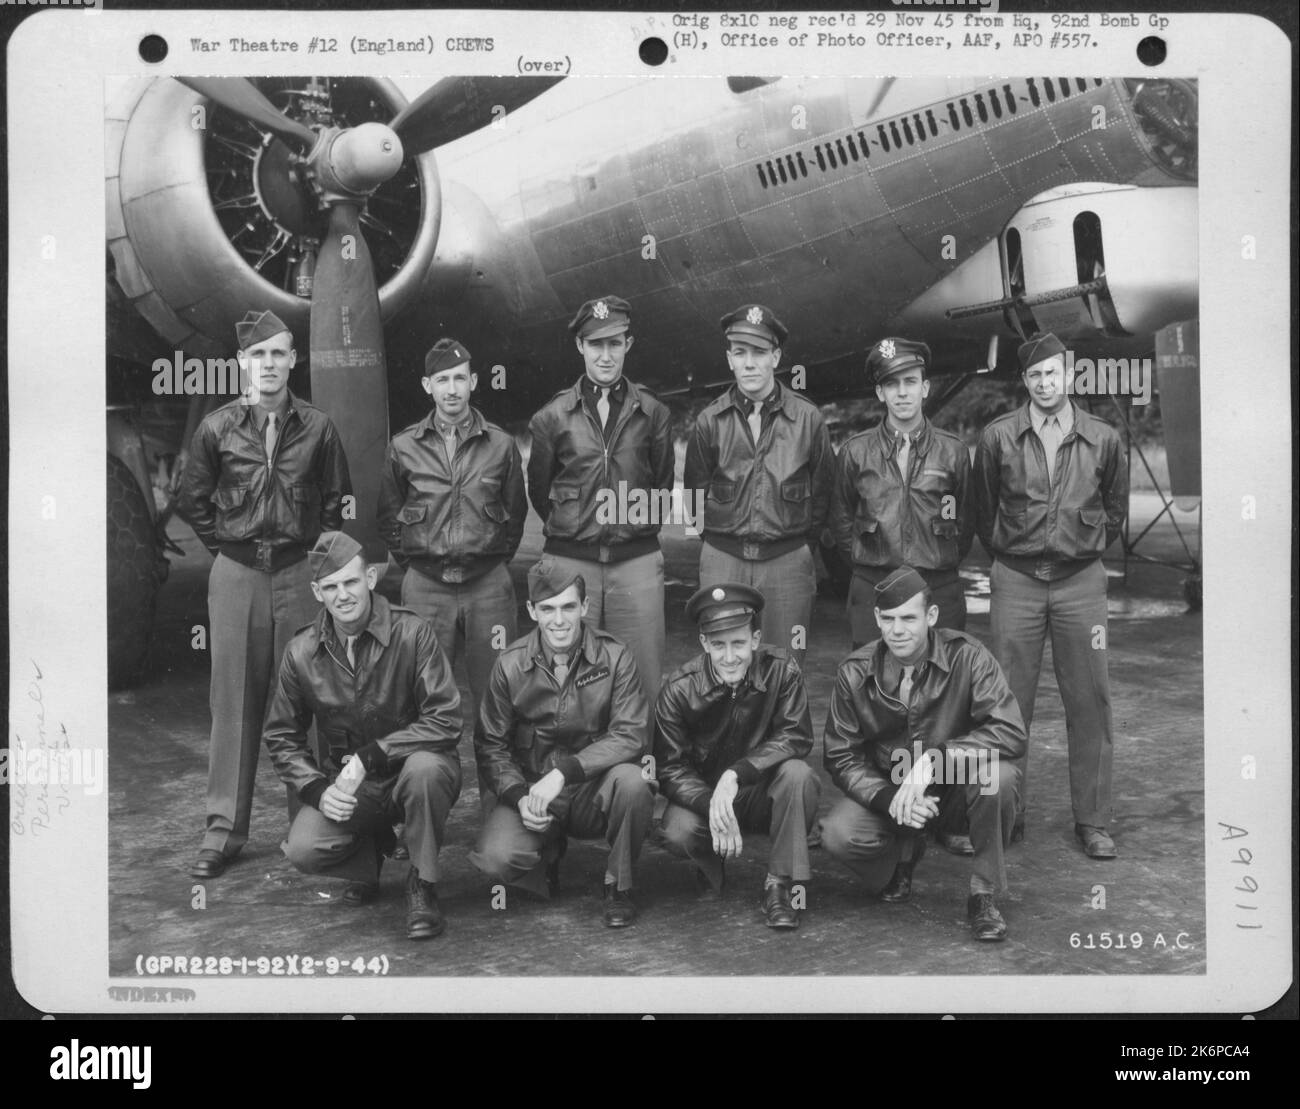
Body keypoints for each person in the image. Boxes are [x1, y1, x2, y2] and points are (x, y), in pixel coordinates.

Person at [176, 309, 351, 879]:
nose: (268, 364)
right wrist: (233, 546)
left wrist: (311, 562)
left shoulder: (319, 428)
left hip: (301, 574)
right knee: (234, 702)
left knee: (311, 698)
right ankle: (223, 829)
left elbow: (334, 503)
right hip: (238, 575)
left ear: (293, 360)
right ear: (241, 363)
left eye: (278, 353)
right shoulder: (217, 429)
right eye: (258, 355)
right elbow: (193, 499)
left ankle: (310, 823)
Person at [263, 532, 464, 939]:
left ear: (370, 578)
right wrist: (317, 790)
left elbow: (445, 718)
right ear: (317, 592)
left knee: (426, 770)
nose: (343, 595)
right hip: (355, 785)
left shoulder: (412, 633)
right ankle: (368, 856)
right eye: (331, 587)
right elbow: (282, 734)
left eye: (351, 582)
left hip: (412, 769)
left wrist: (376, 753)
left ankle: (422, 884)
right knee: (303, 847)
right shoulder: (301, 651)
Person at [973, 332, 1128, 858]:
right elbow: (982, 508)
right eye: (1035, 376)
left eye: (1053, 373)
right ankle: (1007, 810)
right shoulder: (997, 437)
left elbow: (1114, 509)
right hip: (1015, 579)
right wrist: (1012, 550)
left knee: (1090, 699)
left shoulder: (1103, 438)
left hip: (1081, 581)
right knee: (1007, 701)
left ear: (1070, 374)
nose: (1045, 383)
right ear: (1025, 382)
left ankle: (1093, 820)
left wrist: (1080, 545)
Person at [821, 566, 1026, 941]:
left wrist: (935, 761)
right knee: (838, 834)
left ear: (931, 617)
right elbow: (840, 756)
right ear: (877, 619)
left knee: (1000, 776)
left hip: (953, 789)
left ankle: (984, 893)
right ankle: (899, 861)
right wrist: (888, 799)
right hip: (892, 791)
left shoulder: (968, 657)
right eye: (889, 619)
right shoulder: (855, 671)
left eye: (909, 618)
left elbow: (1011, 730)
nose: (898, 630)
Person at [470, 558, 655, 927]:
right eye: (548, 609)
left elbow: (631, 733)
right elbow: (491, 745)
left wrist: (565, 772)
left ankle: (618, 885)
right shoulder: (509, 664)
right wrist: (519, 796)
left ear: (585, 607)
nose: (559, 620)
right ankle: (547, 855)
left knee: (635, 784)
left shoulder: (616, 657)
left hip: (591, 789)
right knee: (496, 858)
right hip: (535, 791)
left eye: (569, 607)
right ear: (531, 611)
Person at [526, 296, 674, 697]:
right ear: (580, 347)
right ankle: (576, 762)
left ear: (628, 344)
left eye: (614, 344)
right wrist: (578, 524)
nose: (605, 355)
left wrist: (633, 528)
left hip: (635, 562)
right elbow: (540, 491)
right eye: (596, 345)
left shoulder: (654, 413)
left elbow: (661, 486)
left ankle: (639, 760)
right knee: (571, 678)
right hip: (572, 563)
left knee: (642, 677)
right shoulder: (552, 417)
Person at [654, 584, 820, 929]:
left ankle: (780, 884)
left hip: (759, 791)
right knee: (676, 830)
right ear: (704, 644)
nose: (730, 657)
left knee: (798, 775)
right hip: (708, 798)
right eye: (718, 645)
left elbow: (796, 735)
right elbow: (669, 768)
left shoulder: (782, 670)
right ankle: (710, 865)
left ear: (756, 639)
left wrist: (737, 774)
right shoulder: (678, 688)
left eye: (739, 644)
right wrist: (711, 802)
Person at [377, 337, 526, 717]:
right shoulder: (403, 447)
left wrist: (491, 557)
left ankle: (498, 776)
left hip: (488, 586)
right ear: (428, 386)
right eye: (442, 380)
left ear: (473, 382)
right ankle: (432, 775)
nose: (452, 389)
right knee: (424, 692)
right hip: (426, 586)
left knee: (498, 692)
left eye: (459, 379)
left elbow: (515, 513)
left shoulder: (501, 445)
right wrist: (416, 564)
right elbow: (390, 515)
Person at [684, 304, 833, 667]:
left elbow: (824, 495)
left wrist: (797, 545)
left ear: (776, 357)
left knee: (785, 668)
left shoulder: (808, 420)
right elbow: (694, 498)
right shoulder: (709, 421)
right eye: (740, 353)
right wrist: (723, 543)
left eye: (759, 353)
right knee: (722, 667)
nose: (749, 363)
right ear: (729, 359)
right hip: (723, 558)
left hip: (787, 562)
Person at [829, 336, 974, 638]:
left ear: (925, 388)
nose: (903, 392)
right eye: (892, 384)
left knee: (942, 677)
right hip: (873, 584)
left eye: (910, 381)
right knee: (872, 676)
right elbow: (842, 521)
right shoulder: (855, 452)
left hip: (938, 585)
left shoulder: (953, 452)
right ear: (880, 392)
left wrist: (936, 559)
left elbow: (964, 520)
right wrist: (869, 564)